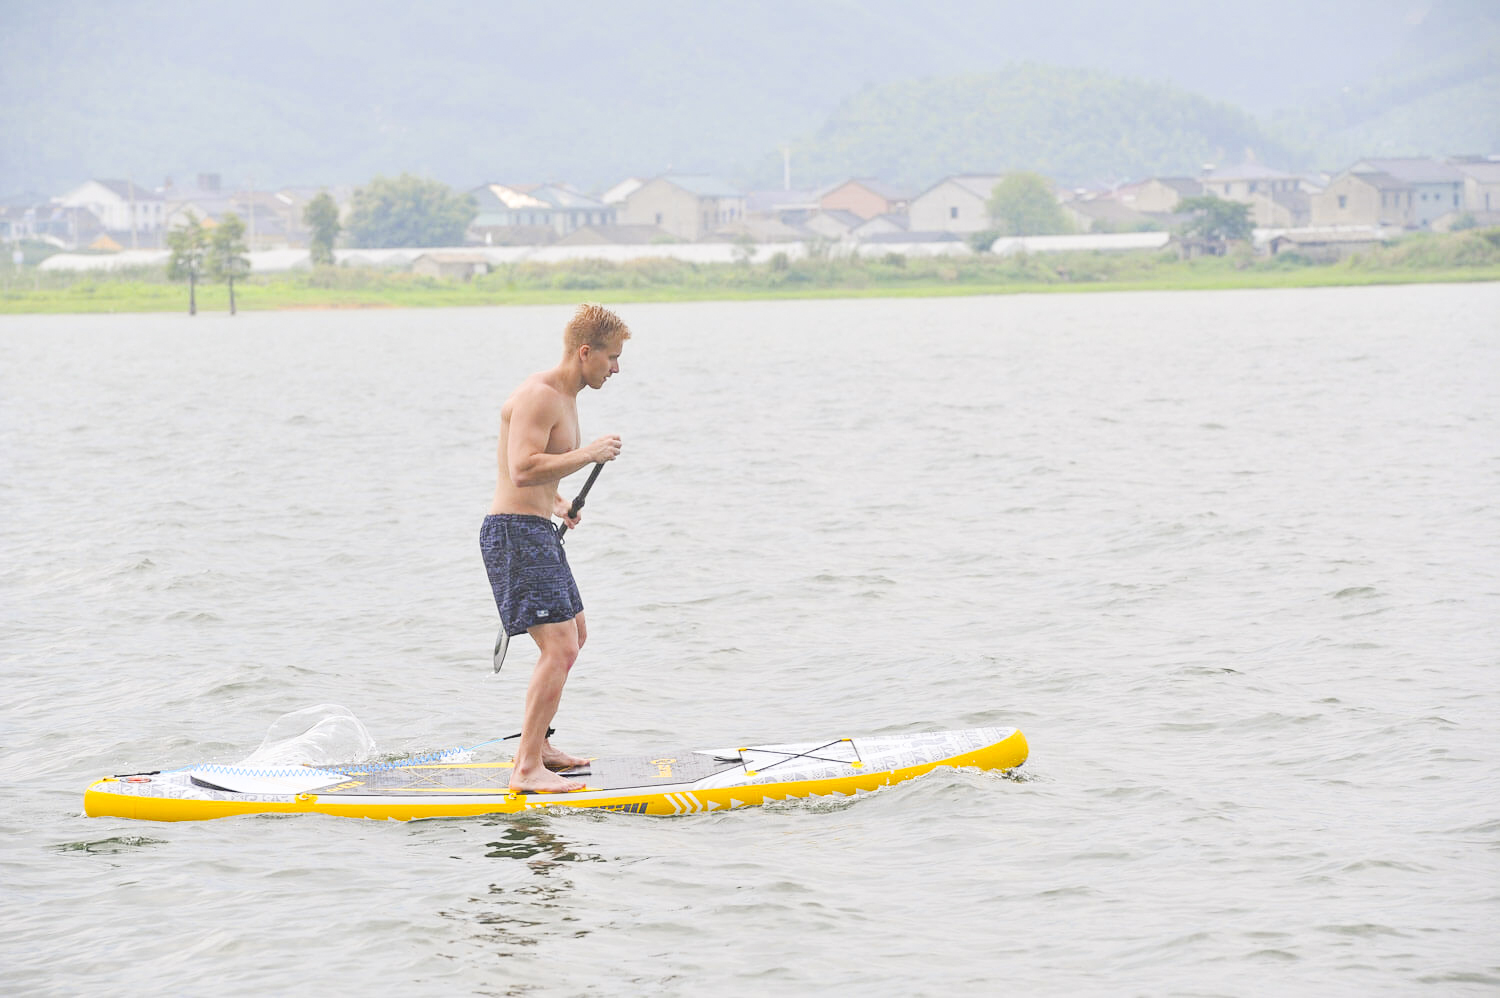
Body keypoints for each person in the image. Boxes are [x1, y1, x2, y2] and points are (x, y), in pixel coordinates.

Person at [481, 304, 629, 793]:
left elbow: (531, 474)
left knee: (575, 635)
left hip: (537, 529)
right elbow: (521, 468)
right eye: (611, 357)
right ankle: (525, 769)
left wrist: (559, 501)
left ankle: (539, 746)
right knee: (560, 645)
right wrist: (587, 454)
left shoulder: (566, 396)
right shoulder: (540, 395)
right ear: (585, 352)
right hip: (514, 534)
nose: (616, 368)